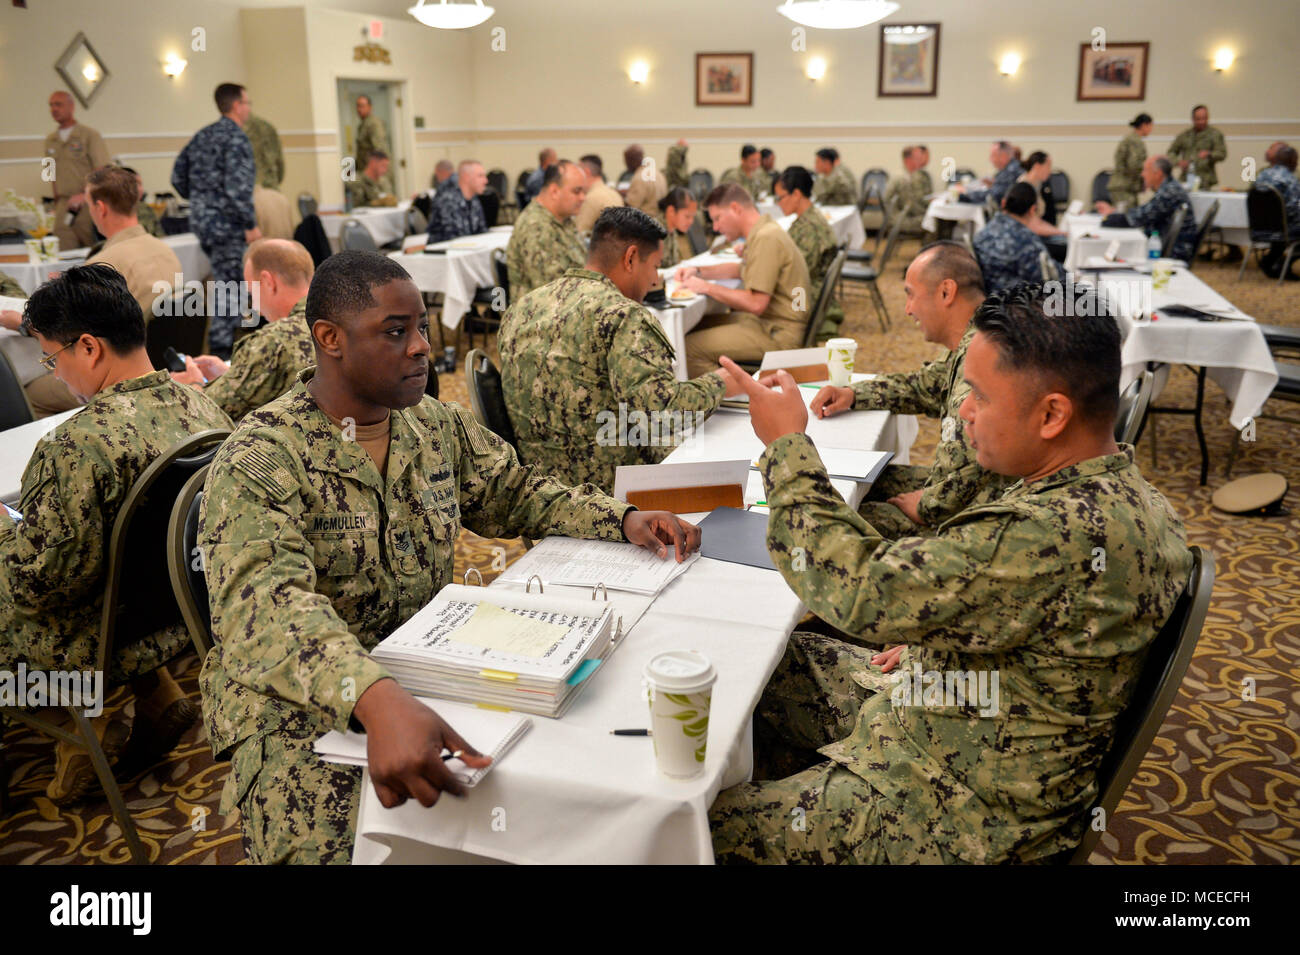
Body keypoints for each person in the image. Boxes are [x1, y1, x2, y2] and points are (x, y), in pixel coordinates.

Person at [197, 250, 699, 863]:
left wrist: (621, 519)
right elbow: (265, 612)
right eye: (395, 332)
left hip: (425, 659)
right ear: (328, 338)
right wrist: (373, 697)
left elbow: (516, 489)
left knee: (569, 777)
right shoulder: (261, 458)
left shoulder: (430, 424)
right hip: (296, 704)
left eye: (422, 329)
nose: (420, 349)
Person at [707, 282, 1193, 864]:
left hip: (952, 806)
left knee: (695, 835)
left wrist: (788, 444)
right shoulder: (1134, 498)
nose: (963, 410)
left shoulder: (1049, 534)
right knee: (757, 669)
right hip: (958, 709)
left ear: (1052, 414)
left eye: (980, 397)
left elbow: (857, 590)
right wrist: (927, 648)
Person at [0, 264, 233, 805]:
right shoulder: (201, 405)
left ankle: (80, 714)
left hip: (95, 641)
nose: (54, 375)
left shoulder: (76, 444)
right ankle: (157, 692)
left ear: (88, 347)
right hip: (179, 616)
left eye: (52, 358)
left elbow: (40, 586)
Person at [499, 207, 739, 492]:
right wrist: (719, 383)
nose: (654, 281)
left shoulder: (521, 308)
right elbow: (663, 414)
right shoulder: (624, 316)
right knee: (731, 458)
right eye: (654, 267)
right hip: (613, 492)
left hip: (539, 493)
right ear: (631, 258)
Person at [810, 241, 1001, 538]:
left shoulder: (981, 355)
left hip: (980, 516)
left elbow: (967, 473)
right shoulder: (978, 337)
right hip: (975, 492)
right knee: (865, 482)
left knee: (836, 526)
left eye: (911, 295)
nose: (908, 310)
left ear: (946, 292)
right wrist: (855, 394)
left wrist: (927, 506)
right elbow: (923, 386)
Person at [171, 238, 316, 421]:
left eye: (251, 291)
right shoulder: (340, 316)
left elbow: (208, 417)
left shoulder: (275, 341)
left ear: (268, 282)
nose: (254, 305)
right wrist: (237, 376)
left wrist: (192, 384)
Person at [676, 184, 812, 378]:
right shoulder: (764, 230)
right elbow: (742, 270)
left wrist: (706, 288)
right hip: (772, 321)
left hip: (779, 333)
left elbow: (756, 303)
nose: (715, 227)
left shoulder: (766, 237)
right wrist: (699, 271)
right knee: (695, 325)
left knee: (688, 349)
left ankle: (746, 396)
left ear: (735, 209)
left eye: (717, 218)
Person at [172, 82, 261, 359]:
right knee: (230, 286)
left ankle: (225, 348)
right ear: (237, 105)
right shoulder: (235, 138)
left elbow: (177, 177)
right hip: (228, 224)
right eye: (247, 103)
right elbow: (237, 190)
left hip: (202, 221)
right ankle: (222, 353)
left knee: (226, 283)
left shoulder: (202, 135)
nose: (248, 108)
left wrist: (201, 198)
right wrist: (250, 224)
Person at [774, 166, 843, 340]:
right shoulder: (810, 218)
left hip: (803, 297)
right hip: (809, 291)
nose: (778, 203)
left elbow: (796, 273)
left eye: (780, 197)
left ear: (796, 194)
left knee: (753, 304)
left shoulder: (809, 228)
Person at [505, 159, 587, 301]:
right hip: (542, 313)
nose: (583, 197)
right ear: (554, 191)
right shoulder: (535, 227)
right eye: (577, 191)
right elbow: (552, 290)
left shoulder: (565, 218)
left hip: (573, 300)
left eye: (583, 191)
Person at [1096, 156, 1198, 263]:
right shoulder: (1168, 187)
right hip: (1165, 244)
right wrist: (1113, 212)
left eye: (1145, 170)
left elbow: (1140, 217)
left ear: (1158, 174)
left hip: (1174, 251)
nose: (1142, 174)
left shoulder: (1170, 192)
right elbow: (1144, 211)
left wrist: (1109, 218)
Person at [44, 90, 111, 250]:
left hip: (87, 202)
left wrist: (84, 194)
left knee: (90, 248)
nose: (54, 109)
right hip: (63, 204)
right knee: (63, 249)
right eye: (51, 105)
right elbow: (49, 173)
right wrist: (55, 202)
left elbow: (101, 169)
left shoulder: (89, 135)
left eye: (58, 104)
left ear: (71, 107)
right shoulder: (50, 140)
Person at [973, 183, 1050, 293]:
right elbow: (1048, 277)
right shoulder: (1028, 242)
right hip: (1016, 304)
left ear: (1004, 203)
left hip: (986, 301)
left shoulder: (982, 233)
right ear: (1032, 210)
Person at [1256, 144, 1300, 279]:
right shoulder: (1290, 179)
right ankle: (1284, 263)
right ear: (1291, 161)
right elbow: (1294, 209)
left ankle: (1271, 260)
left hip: (1261, 227)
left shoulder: (1262, 175)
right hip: (1284, 229)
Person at [425, 159, 488, 243]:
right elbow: (454, 239)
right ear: (466, 177)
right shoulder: (447, 201)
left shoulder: (474, 200)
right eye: (480, 176)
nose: (486, 181)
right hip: (444, 252)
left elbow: (482, 231)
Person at [1168, 105, 1227, 190]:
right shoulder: (1185, 135)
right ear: (1193, 119)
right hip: (1186, 178)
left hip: (1205, 179)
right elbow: (1171, 152)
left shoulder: (1215, 134)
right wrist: (1178, 162)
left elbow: (1222, 153)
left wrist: (1209, 154)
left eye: (1204, 118)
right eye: (1198, 119)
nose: (1202, 122)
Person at [883, 146, 931, 234]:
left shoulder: (907, 174)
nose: (920, 161)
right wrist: (929, 211)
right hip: (900, 220)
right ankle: (930, 247)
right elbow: (911, 206)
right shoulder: (904, 179)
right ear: (909, 160)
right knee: (933, 221)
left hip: (900, 216)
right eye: (917, 158)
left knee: (931, 219)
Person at [1109, 113, 1153, 210]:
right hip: (1124, 187)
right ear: (1144, 125)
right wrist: (1146, 177)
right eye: (1150, 126)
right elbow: (1133, 165)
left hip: (1125, 187)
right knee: (1126, 220)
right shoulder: (1135, 141)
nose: (1151, 129)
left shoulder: (1131, 139)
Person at [963, 141, 1023, 207]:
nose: (990, 159)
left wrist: (967, 193)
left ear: (1003, 156)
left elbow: (993, 195)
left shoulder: (1011, 171)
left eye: (993, 155)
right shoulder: (1010, 168)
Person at [1016, 151, 1064, 233]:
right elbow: (1032, 224)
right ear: (1037, 166)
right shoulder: (1024, 187)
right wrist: (1060, 233)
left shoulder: (1039, 184)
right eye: (1048, 166)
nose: (1050, 171)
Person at [575, 155, 625, 234]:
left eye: (577, 173)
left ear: (586, 172)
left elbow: (579, 233)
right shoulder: (615, 194)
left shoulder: (591, 198)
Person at [624, 143, 668, 220]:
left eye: (626, 160)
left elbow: (630, 207)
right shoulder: (658, 173)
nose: (626, 164)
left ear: (631, 160)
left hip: (645, 223)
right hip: (660, 221)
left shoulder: (639, 178)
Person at [657, 187, 696, 270]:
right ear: (671, 211)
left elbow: (671, 264)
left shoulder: (672, 229)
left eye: (693, 217)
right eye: (687, 216)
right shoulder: (655, 232)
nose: (691, 222)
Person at [244, 113, 284, 189]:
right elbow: (280, 167)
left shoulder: (230, 130)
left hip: (247, 191)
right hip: (270, 188)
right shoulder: (267, 127)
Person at [353, 95, 389, 172]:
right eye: (357, 106)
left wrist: (373, 173)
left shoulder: (374, 124)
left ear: (370, 107)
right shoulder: (363, 125)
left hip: (374, 173)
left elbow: (380, 150)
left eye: (362, 106)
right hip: (364, 170)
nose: (359, 109)